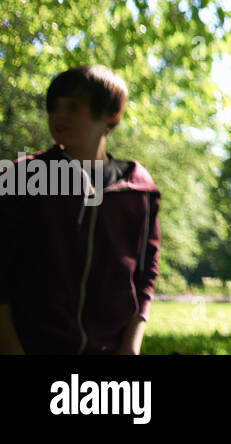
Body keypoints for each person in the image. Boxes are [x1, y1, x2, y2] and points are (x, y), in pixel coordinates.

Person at [0, 64, 161, 354]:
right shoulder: (23, 178)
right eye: (53, 107)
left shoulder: (139, 189)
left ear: (111, 115)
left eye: (73, 107)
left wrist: (130, 347)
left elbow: (145, 275)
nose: (59, 116)